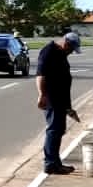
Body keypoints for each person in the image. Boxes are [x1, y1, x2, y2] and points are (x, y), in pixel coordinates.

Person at [35, 31, 82, 174]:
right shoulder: (49, 52)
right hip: (52, 98)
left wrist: (68, 108)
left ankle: (55, 161)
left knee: (59, 129)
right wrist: (42, 95)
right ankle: (51, 164)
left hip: (60, 100)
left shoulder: (61, 53)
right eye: (71, 49)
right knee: (54, 130)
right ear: (65, 43)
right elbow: (40, 75)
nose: (71, 52)